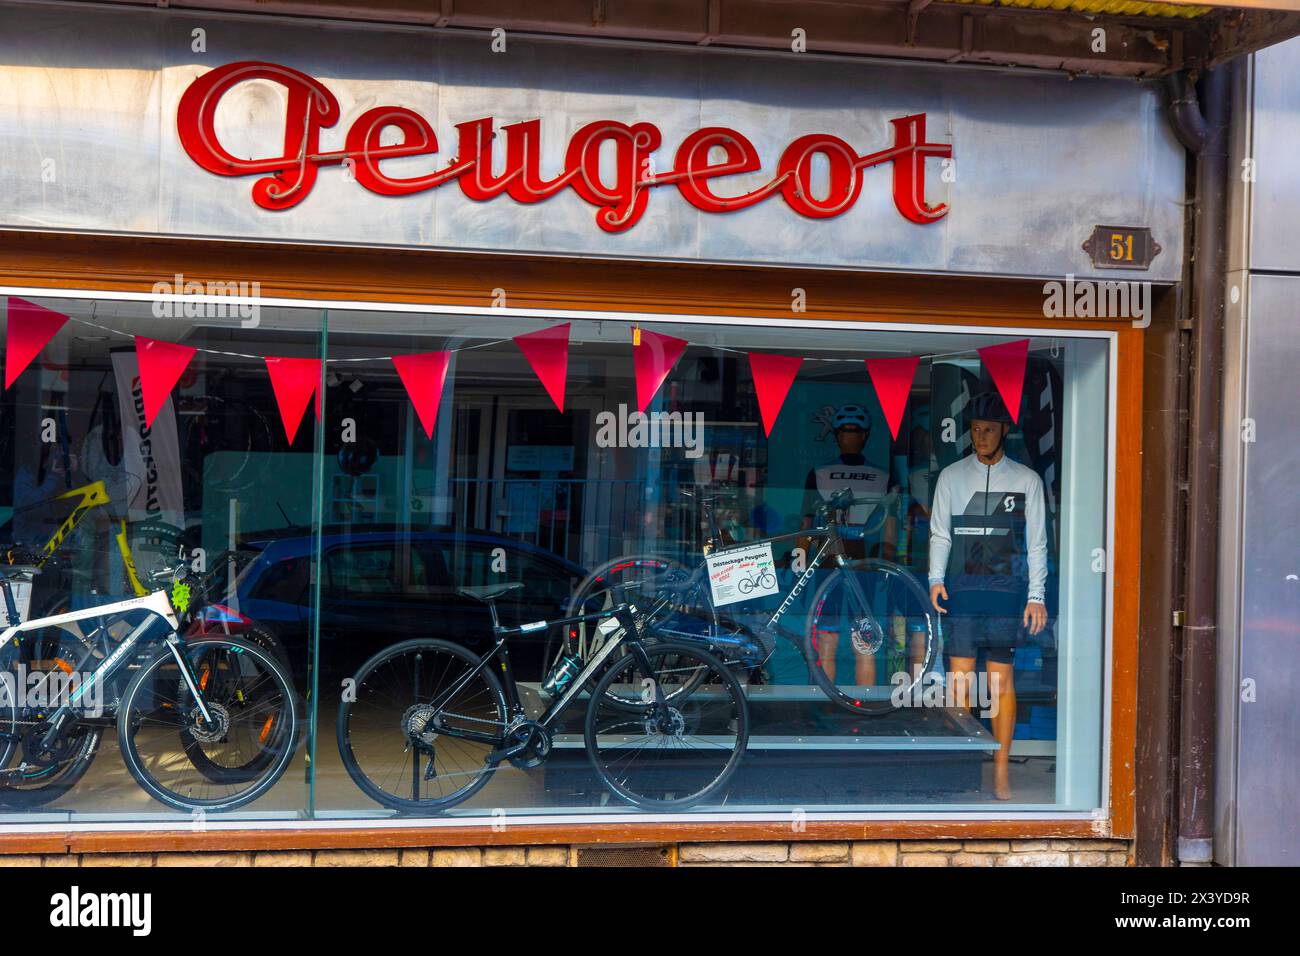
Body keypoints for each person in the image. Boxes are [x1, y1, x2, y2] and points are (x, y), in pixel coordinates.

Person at [928, 391, 1048, 801]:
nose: (980, 436)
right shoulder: (951, 476)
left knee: (1000, 684)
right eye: (976, 429)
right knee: (960, 685)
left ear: (1004, 432)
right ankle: (963, 769)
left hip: (1005, 592)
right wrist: (934, 580)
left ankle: (1000, 773)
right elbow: (940, 533)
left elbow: (1037, 544)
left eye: (989, 430)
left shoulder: (1026, 479)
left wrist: (1037, 595)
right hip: (961, 589)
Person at [800, 404, 896, 686]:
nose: (850, 437)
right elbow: (807, 523)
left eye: (854, 432)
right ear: (837, 435)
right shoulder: (821, 472)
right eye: (845, 432)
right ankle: (826, 706)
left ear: (865, 435)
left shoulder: (823, 472)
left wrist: (801, 556)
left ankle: (856, 709)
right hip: (833, 559)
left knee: (860, 639)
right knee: (833, 640)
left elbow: (890, 528)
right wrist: (801, 556)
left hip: (854, 562)